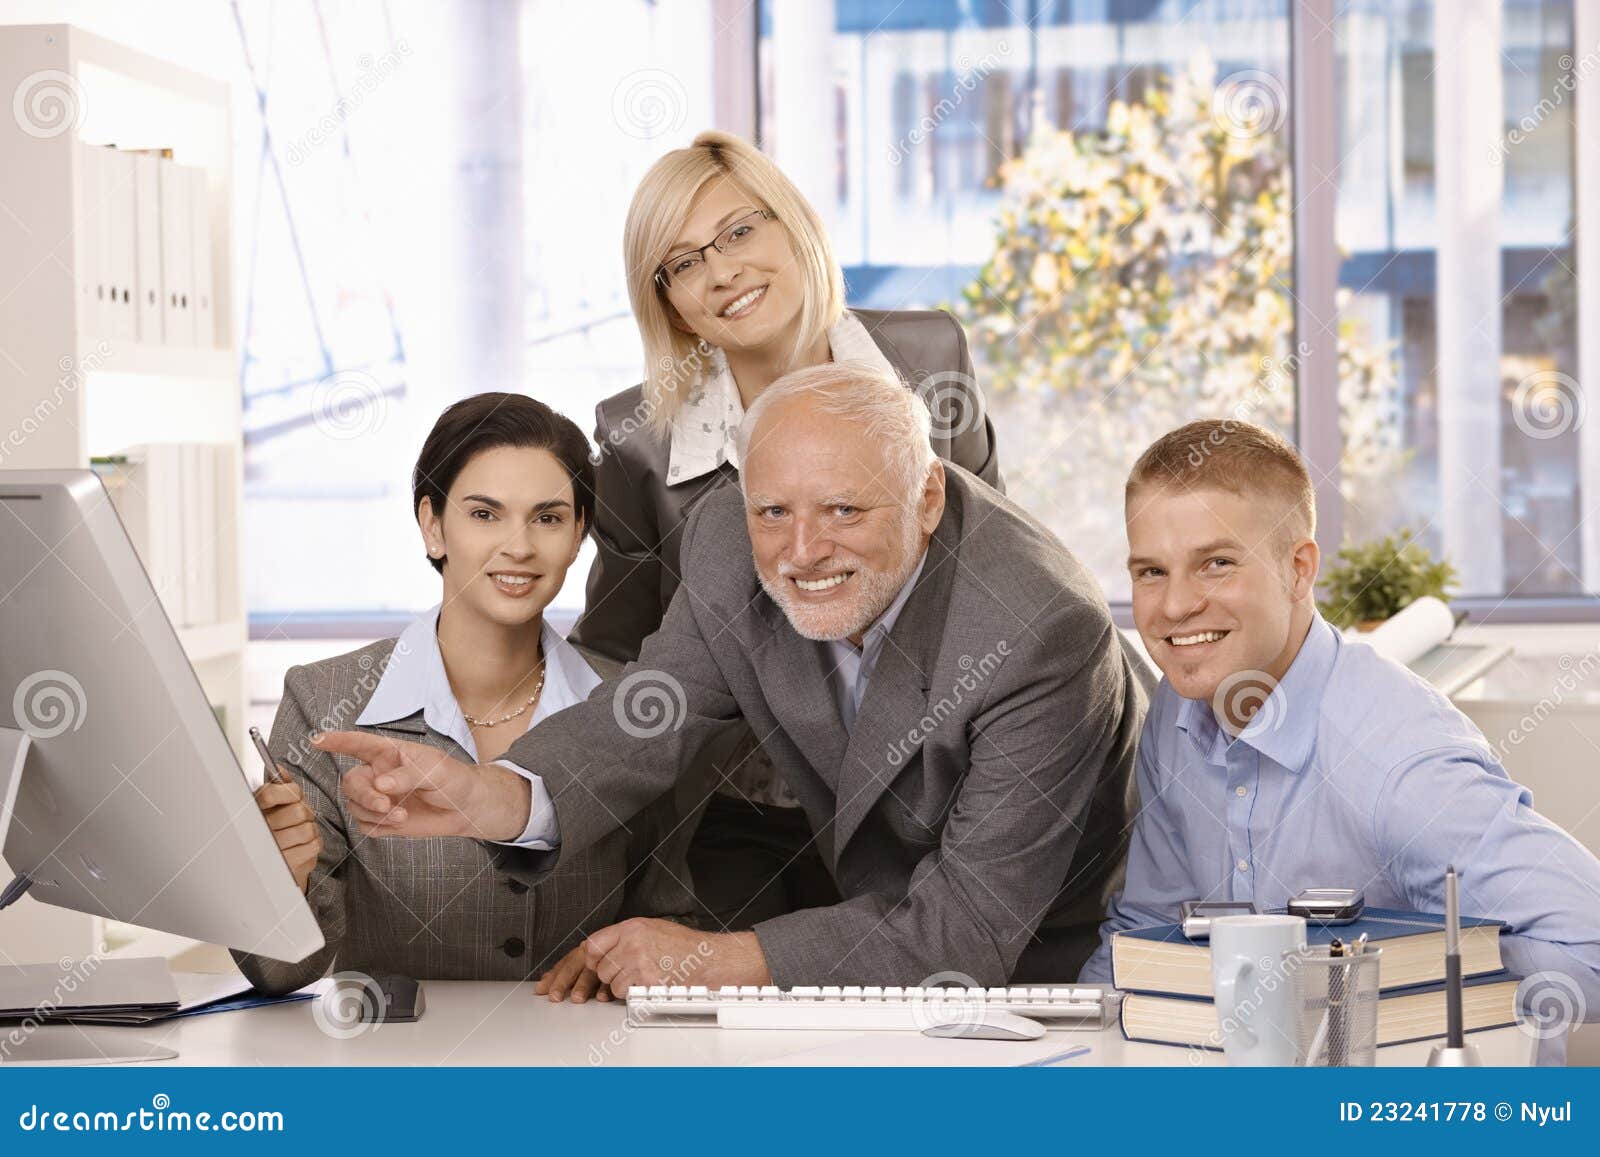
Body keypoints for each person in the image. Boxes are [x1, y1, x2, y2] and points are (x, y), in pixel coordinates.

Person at [315, 362, 1142, 990]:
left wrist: (715, 957)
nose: (802, 550)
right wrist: (488, 794)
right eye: (773, 509)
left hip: (1051, 960)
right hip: (868, 943)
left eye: (845, 510)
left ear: (926, 497)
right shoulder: (726, 539)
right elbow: (648, 716)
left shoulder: (1036, 628)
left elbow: (968, 925)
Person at [571, 129, 1004, 933]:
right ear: (667, 300)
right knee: (726, 1026)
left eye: (739, 232)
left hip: (920, 792)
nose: (723, 270)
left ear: (792, 223)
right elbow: (618, 656)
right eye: (685, 261)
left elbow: (990, 579)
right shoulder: (637, 440)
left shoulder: (930, 356)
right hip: (735, 813)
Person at [1078, 419, 1600, 1055]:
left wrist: (1390, 980)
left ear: (1298, 569)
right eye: (1150, 571)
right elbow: (1149, 931)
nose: (1174, 606)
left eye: (1216, 563)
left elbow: (1590, 943)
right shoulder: (1180, 712)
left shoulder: (1398, 760)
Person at [233, 393, 693, 996]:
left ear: (581, 532)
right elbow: (281, 973)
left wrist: (642, 955)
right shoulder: (323, 701)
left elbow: (673, 921)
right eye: (485, 514)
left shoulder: (629, 706)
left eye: (549, 518)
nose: (519, 546)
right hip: (392, 1071)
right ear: (432, 526)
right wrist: (276, 883)